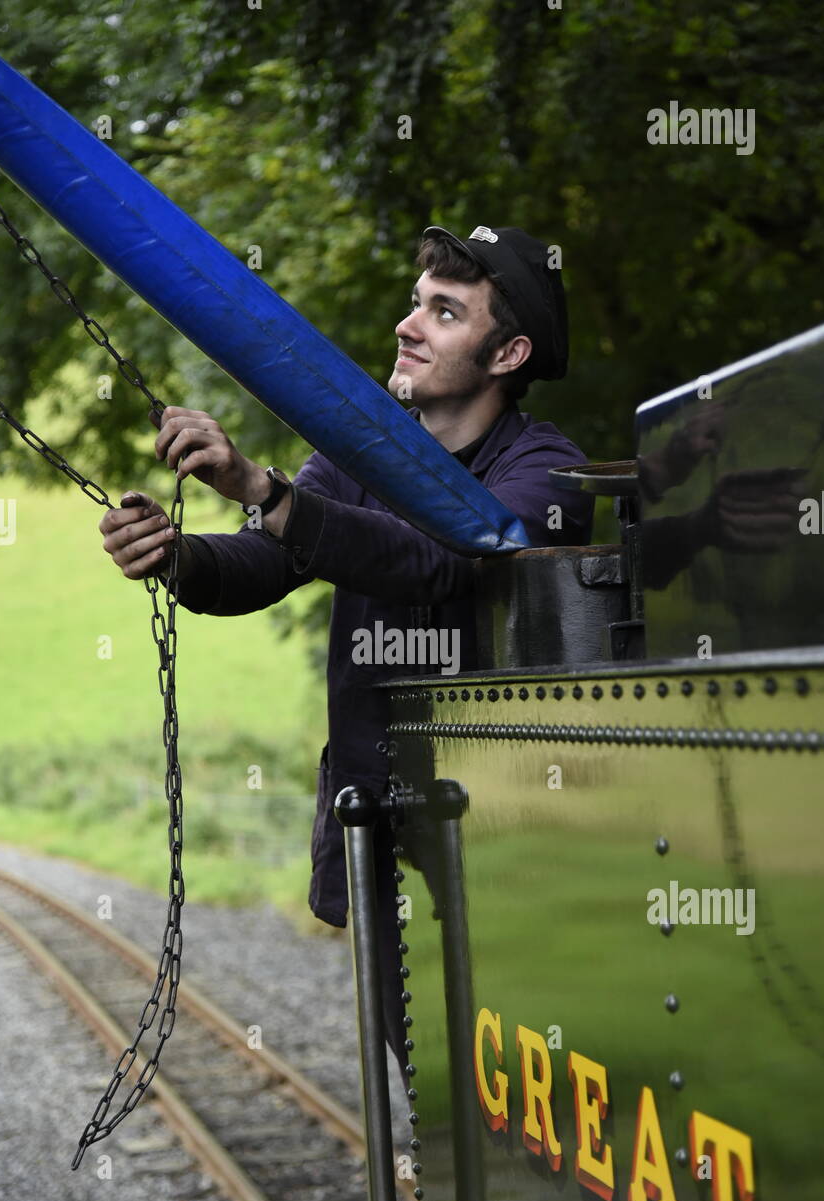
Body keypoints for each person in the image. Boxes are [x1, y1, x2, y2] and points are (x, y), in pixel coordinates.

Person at [99, 224, 594, 1075]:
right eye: (416, 305)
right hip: (383, 827)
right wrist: (175, 554)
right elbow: (264, 561)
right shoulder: (357, 455)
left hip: (512, 840)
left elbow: (442, 561)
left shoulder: (545, 470)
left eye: (444, 312)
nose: (409, 325)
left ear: (508, 352)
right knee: (423, 1082)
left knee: (513, 1090)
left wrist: (262, 487)